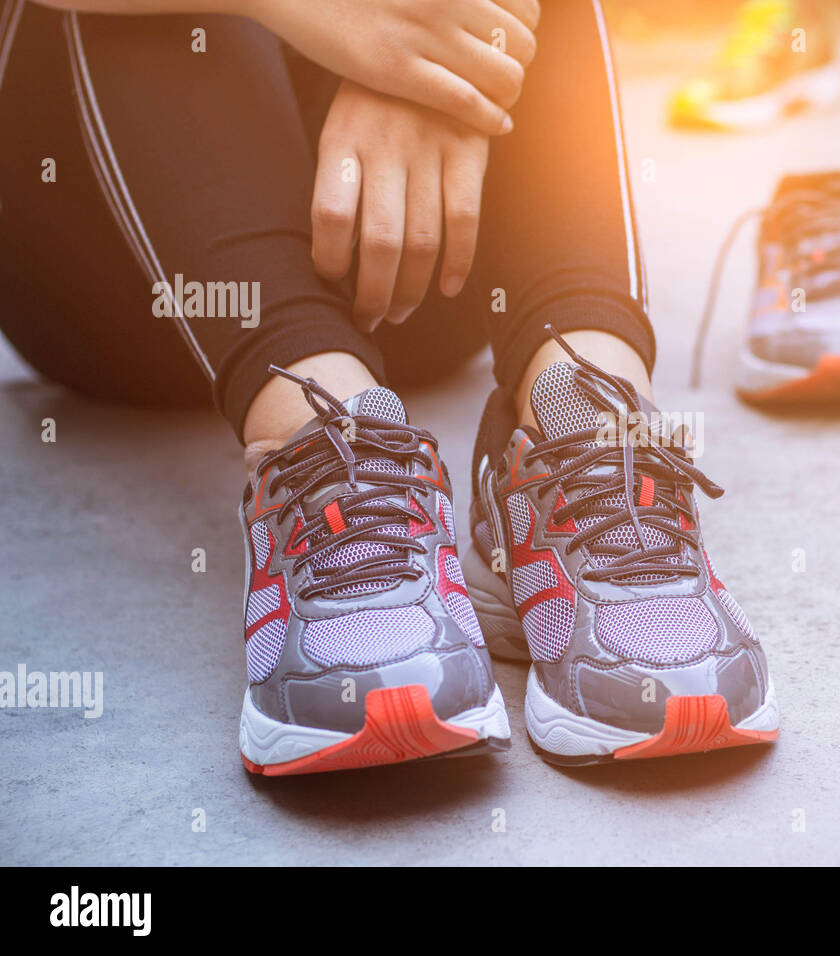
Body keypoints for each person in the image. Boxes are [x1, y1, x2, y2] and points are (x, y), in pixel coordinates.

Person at [0, 0, 778, 773]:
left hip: (426, 254)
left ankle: (580, 417)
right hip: (121, 286)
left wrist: (417, 62)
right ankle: (313, 429)